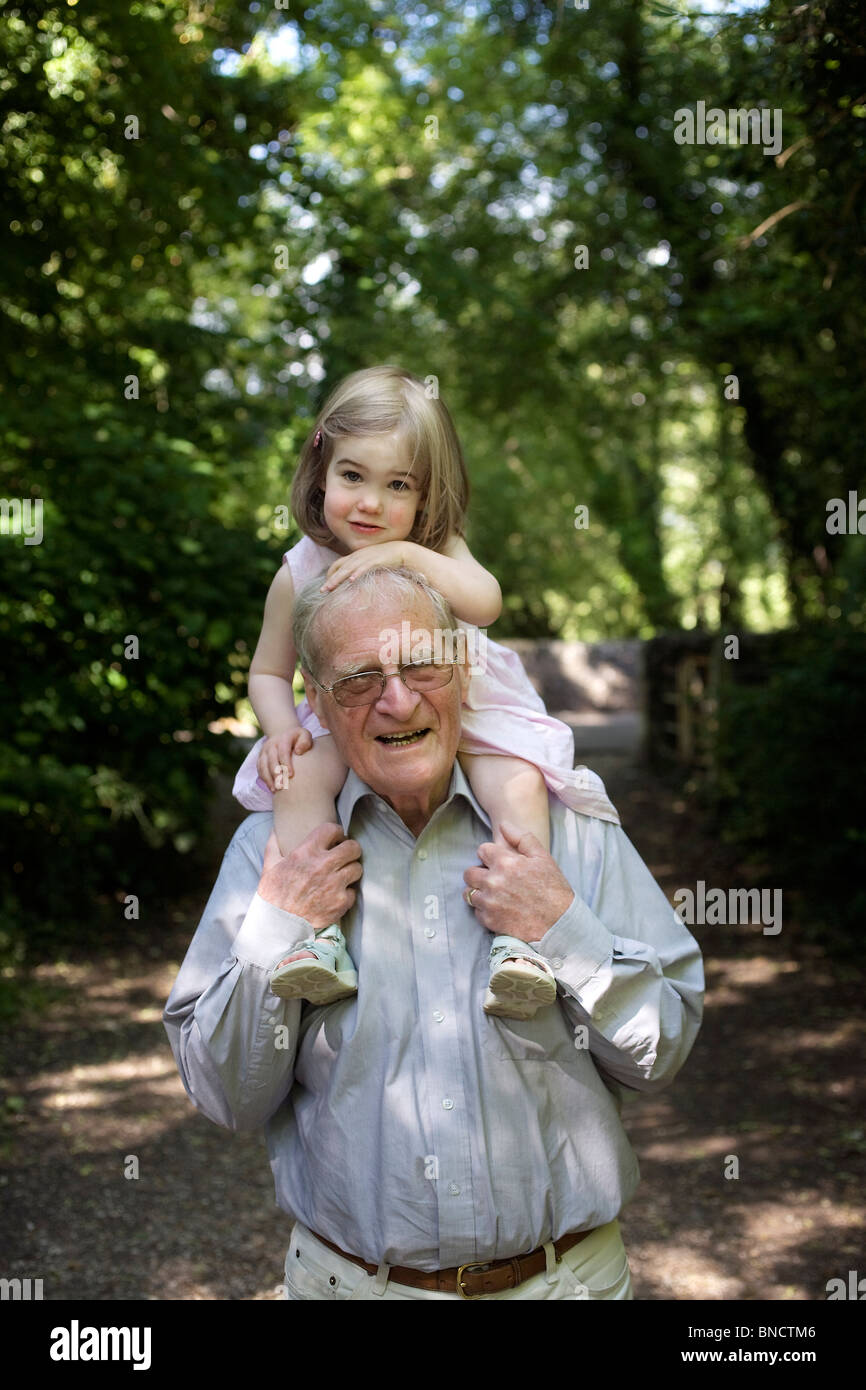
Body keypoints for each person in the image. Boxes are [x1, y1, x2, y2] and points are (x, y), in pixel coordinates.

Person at [164, 565, 704, 1301]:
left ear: (461, 670)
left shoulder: (569, 834)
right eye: (358, 679)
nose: (397, 699)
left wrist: (561, 928)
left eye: (420, 665)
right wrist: (278, 924)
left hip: (566, 1286)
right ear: (316, 702)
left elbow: (661, 1051)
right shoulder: (275, 855)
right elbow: (226, 1095)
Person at [232, 364, 620, 1020]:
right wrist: (278, 728)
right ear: (320, 466)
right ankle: (315, 936)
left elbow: (488, 600)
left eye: (397, 486)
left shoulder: (434, 546)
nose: (370, 504)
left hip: (469, 708)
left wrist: (404, 558)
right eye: (353, 476)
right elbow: (268, 672)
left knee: (519, 782)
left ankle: (521, 940)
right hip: (355, 715)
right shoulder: (299, 574)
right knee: (295, 777)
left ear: (424, 495)